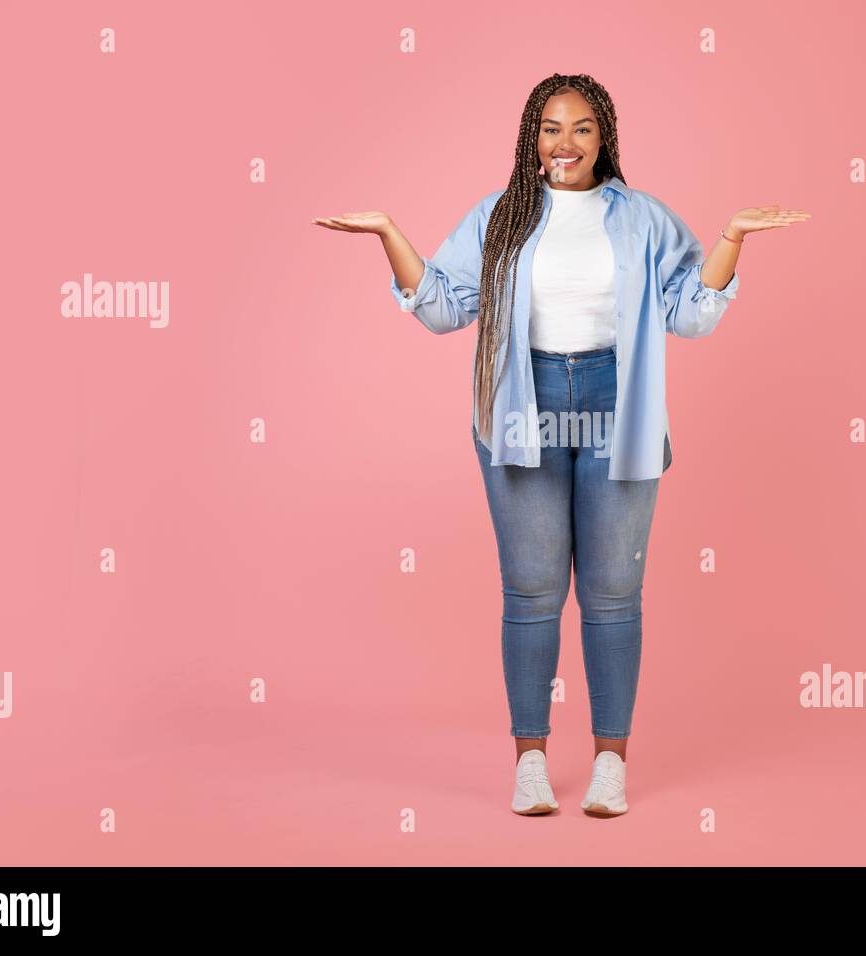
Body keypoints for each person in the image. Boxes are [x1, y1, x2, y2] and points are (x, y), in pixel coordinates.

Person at [314, 72, 810, 817]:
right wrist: (390, 233)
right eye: (551, 127)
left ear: (602, 134)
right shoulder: (503, 215)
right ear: (532, 138)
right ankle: (532, 763)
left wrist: (732, 239)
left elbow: (691, 315)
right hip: (522, 407)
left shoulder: (642, 218)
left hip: (618, 406)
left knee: (614, 594)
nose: (565, 142)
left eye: (581, 127)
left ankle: (611, 763)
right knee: (532, 591)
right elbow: (444, 309)